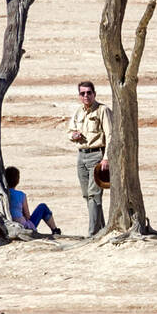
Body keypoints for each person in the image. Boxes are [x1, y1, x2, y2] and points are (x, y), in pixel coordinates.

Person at [66, 80, 111, 236]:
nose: (86, 96)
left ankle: (92, 233)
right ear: (79, 95)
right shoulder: (78, 112)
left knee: (94, 194)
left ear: (94, 94)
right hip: (81, 156)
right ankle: (102, 228)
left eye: (88, 93)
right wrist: (73, 135)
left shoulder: (102, 110)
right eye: (82, 93)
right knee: (88, 195)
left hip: (97, 156)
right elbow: (69, 131)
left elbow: (110, 135)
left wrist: (106, 158)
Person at [4, 167, 60, 236]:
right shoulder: (21, 195)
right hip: (23, 227)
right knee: (42, 207)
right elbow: (27, 216)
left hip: (6, 224)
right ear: (17, 180)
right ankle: (55, 230)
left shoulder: (1, 194)